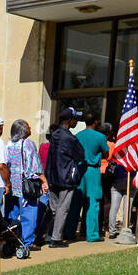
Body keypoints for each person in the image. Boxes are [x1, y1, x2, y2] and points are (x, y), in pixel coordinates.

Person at [66, 111, 111, 243]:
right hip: (92, 170)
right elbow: (107, 154)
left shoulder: (77, 135)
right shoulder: (100, 137)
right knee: (93, 202)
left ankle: (69, 232)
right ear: (96, 121)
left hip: (79, 170)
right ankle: (92, 235)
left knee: (75, 202)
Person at [44, 106, 85, 248]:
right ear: (68, 121)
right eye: (75, 119)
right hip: (66, 178)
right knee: (62, 209)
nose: (76, 122)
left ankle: (44, 236)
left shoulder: (54, 135)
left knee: (53, 209)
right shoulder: (70, 138)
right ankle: (56, 239)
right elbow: (81, 155)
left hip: (53, 178)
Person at [5, 119, 43, 259]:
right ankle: (27, 241)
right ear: (23, 130)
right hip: (25, 185)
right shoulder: (28, 144)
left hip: (11, 184)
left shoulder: (8, 144)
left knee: (11, 214)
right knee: (29, 213)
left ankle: (12, 239)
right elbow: (35, 166)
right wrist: (43, 181)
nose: (30, 129)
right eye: (28, 127)